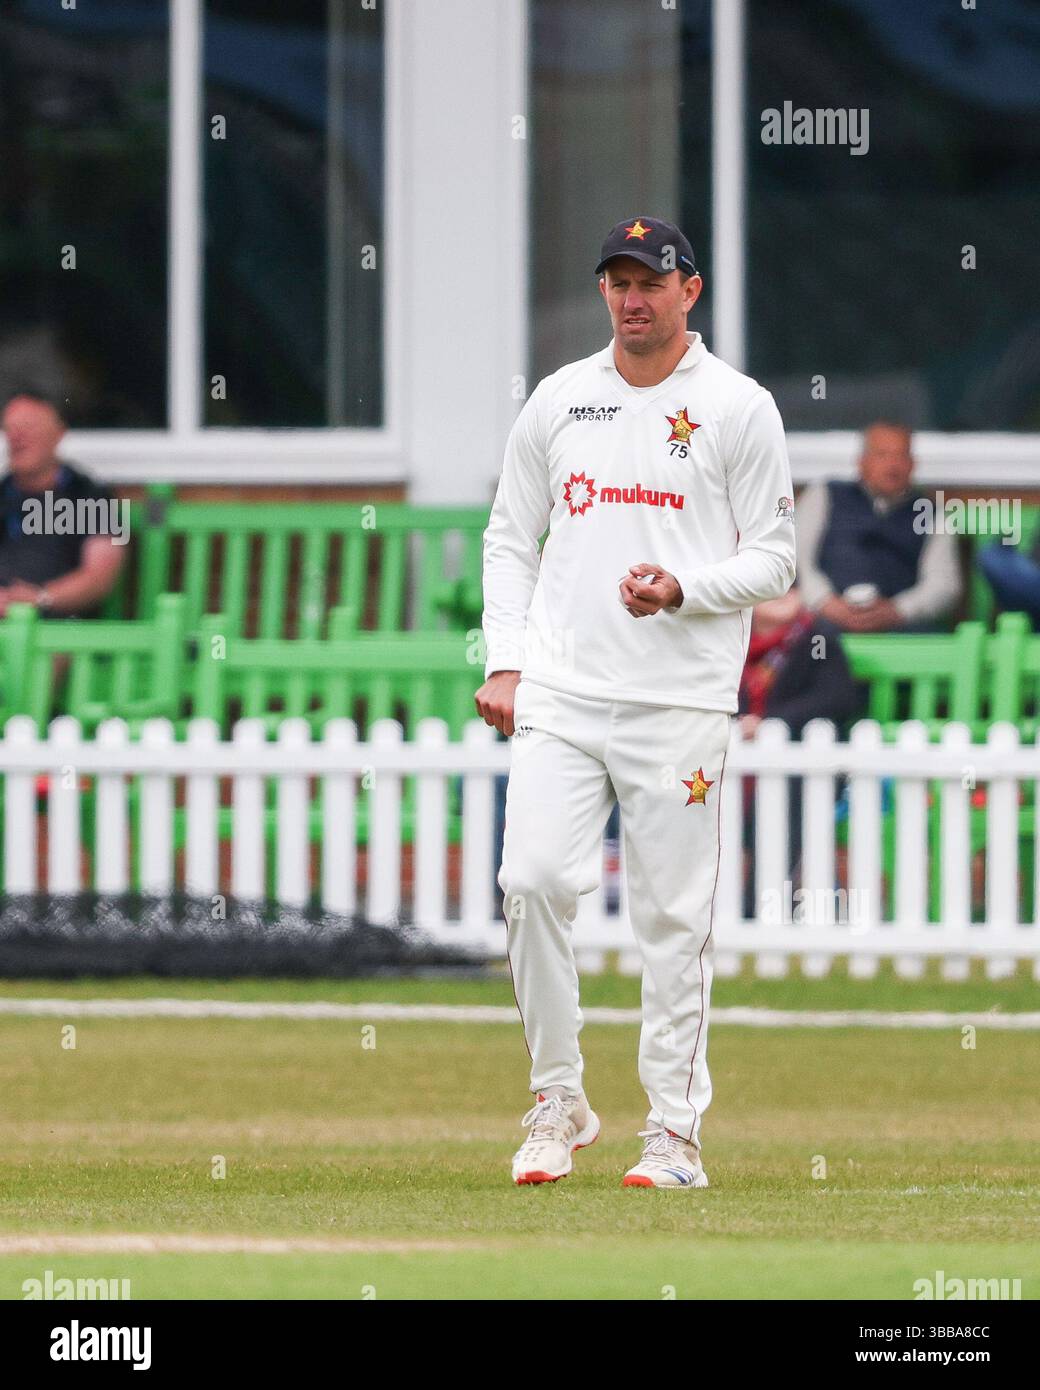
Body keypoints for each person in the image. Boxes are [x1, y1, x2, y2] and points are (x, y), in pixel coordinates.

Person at [477, 215, 796, 1189]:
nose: (630, 297)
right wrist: (504, 661)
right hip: (563, 690)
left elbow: (776, 558)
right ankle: (558, 1097)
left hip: (678, 699)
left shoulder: (737, 408)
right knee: (529, 880)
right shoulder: (560, 399)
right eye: (616, 280)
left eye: (649, 279)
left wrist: (683, 591)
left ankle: (672, 1131)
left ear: (688, 291)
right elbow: (506, 534)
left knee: (671, 917)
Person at [795, 422, 961, 633]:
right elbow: (795, 557)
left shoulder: (933, 514)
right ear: (861, 461)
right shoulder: (824, 494)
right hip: (824, 619)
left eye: (901, 456)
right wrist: (825, 602)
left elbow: (943, 585)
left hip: (900, 625)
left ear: (913, 464)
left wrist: (898, 610)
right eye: (882, 455)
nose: (892, 466)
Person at [0, 392, 125, 616]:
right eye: (10, 428)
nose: (17, 437)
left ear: (58, 434)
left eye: (28, 427)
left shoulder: (92, 495)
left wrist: (40, 598)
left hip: (62, 631)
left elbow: (101, 576)